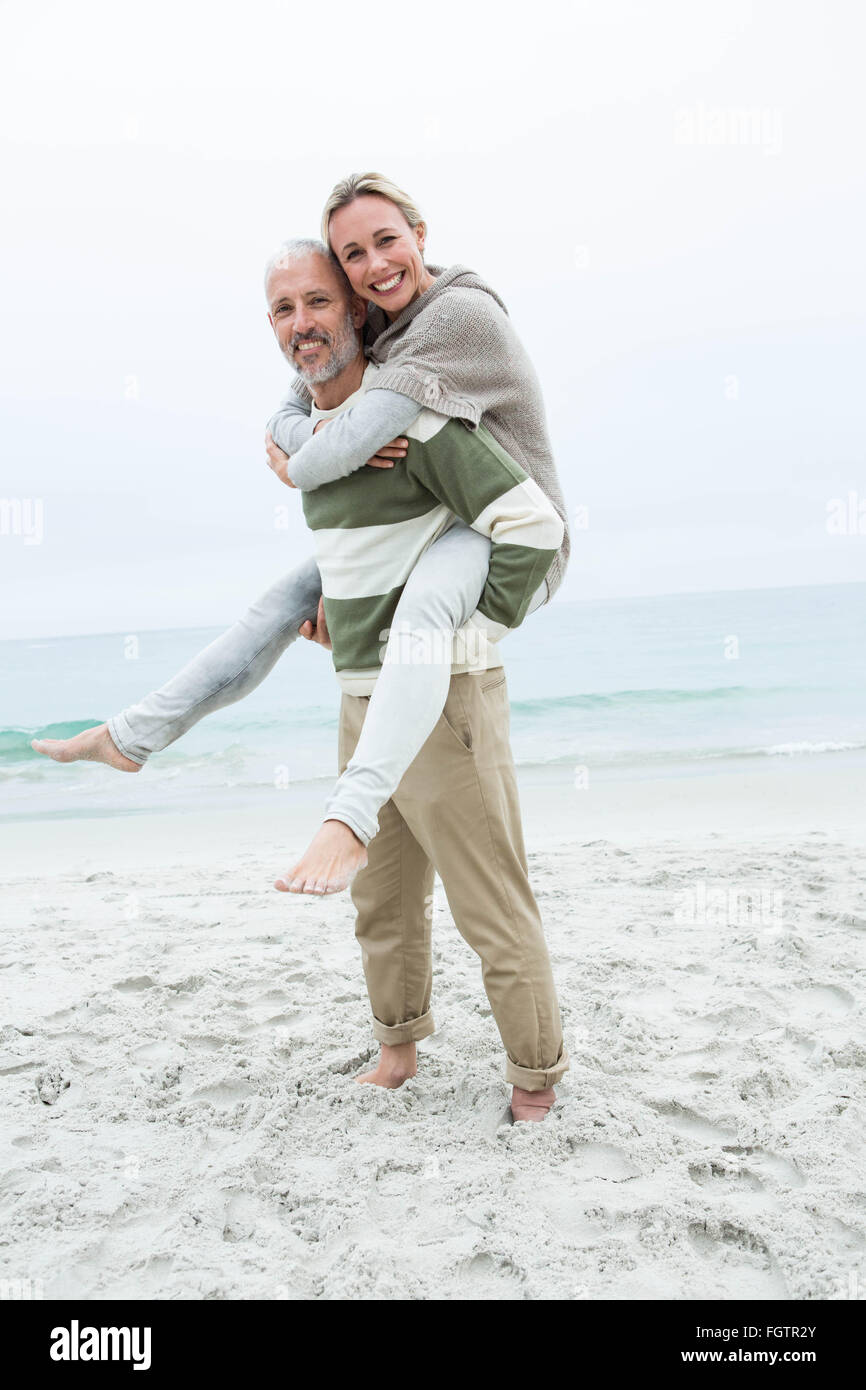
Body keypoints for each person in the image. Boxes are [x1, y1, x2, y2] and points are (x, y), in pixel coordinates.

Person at [33, 173, 571, 904]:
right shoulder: (386, 315)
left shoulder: (454, 320)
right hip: (436, 521)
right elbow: (295, 407)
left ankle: (347, 819)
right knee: (280, 603)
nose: (376, 265)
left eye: (387, 241)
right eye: (353, 253)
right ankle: (131, 736)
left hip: (510, 533)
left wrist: (318, 446)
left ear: (421, 235)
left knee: (420, 621)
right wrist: (317, 432)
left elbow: (316, 464)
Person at [266, 244, 570, 1118]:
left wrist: (477, 629)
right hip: (363, 697)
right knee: (383, 903)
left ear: (357, 312)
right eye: (282, 310)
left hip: (446, 703)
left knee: (489, 903)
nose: (302, 324)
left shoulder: (425, 418)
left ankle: (535, 1084)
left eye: (318, 301)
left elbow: (533, 526)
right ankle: (397, 1047)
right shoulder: (319, 441)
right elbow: (366, 556)